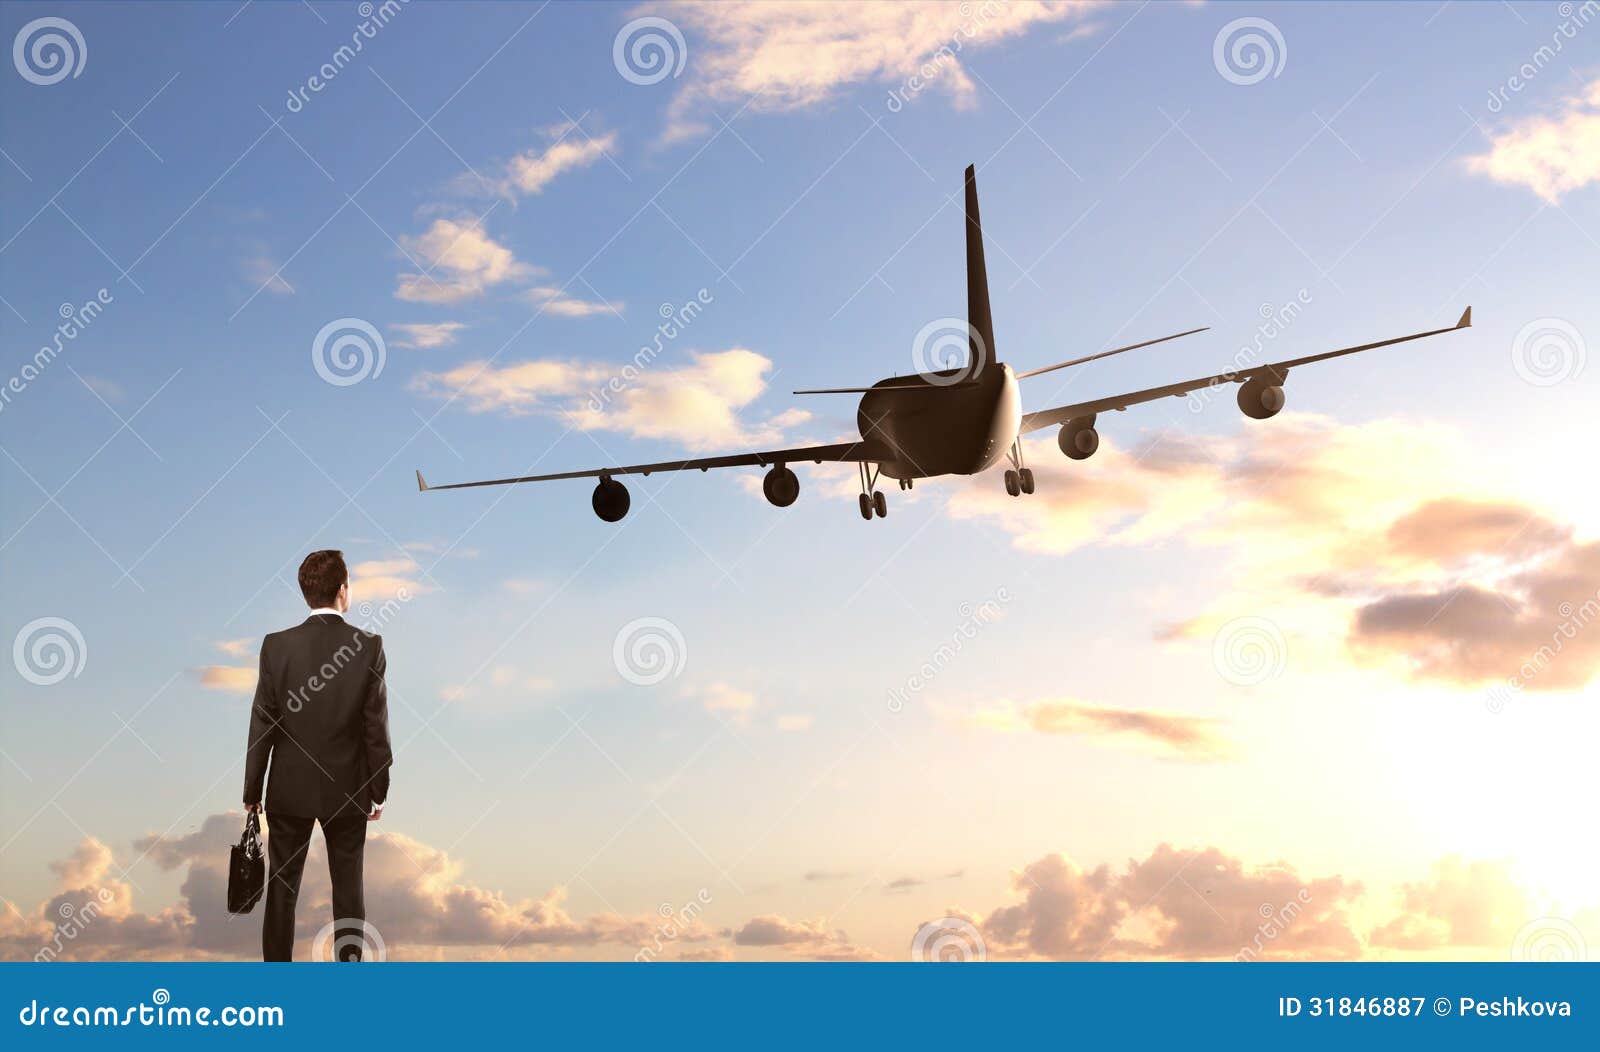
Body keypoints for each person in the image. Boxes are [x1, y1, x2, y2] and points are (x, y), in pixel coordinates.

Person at [243, 550, 392, 961]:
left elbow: (262, 724)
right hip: (348, 788)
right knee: (348, 888)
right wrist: (378, 787)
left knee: (282, 886)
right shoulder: (368, 646)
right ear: (343, 590)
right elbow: (375, 726)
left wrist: (252, 788)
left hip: (288, 788)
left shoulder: (276, 646)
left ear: (305, 592)